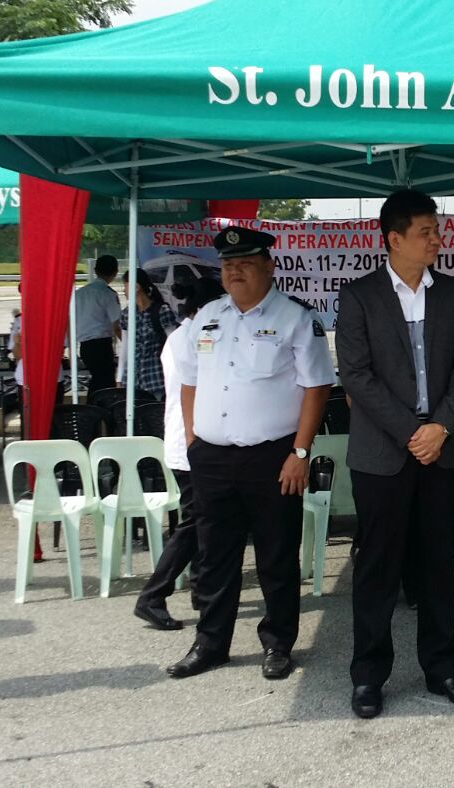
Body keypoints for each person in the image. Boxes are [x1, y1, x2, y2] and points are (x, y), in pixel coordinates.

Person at [335, 189, 454, 720]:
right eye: (426, 232)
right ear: (394, 239)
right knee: (377, 568)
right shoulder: (359, 297)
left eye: (435, 230)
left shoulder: (449, 293)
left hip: (440, 451)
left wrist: (440, 425)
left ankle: (442, 669)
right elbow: (355, 374)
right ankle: (369, 676)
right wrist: (410, 431)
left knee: (437, 564)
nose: (437, 239)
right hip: (383, 454)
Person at [164, 226, 333, 680]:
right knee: (214, 555)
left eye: (243, 263)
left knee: (276, 555)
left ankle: (277, 644)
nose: (233, 272)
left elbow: (317, 387)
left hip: (273, 456)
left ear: (268, 266)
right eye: (227, 265)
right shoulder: (209, 317)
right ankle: (210, 643)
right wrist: (195, 442)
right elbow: (189, 383)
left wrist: (300, 452)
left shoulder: (297, 318)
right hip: (213, 457)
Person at [133, 278, 225, 630]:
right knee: (194, 523)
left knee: (203, 520)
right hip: (194, 443)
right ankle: (153, 595)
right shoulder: (198, 337)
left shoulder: (179, 335)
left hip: (184, 440)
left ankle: (201, 590)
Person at [122, 268, 180, 397]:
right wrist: (120, 377)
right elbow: (125, 348)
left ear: (136, 287)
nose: (123, 290)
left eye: (125, 286)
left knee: (154, 413)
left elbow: (174, 345)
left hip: (156, 377)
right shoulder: (126, 314)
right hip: (131, 379)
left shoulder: (162, 310)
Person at [74, 254, 123, 393]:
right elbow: (117, 326)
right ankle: (97, 411)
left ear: (95, 271)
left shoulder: (80, 293)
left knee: (97, 380)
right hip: (101, 346)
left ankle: (93, 410)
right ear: (115, 273)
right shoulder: (108, 294)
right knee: (105, 384)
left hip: (85, 347)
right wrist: (128, 347)